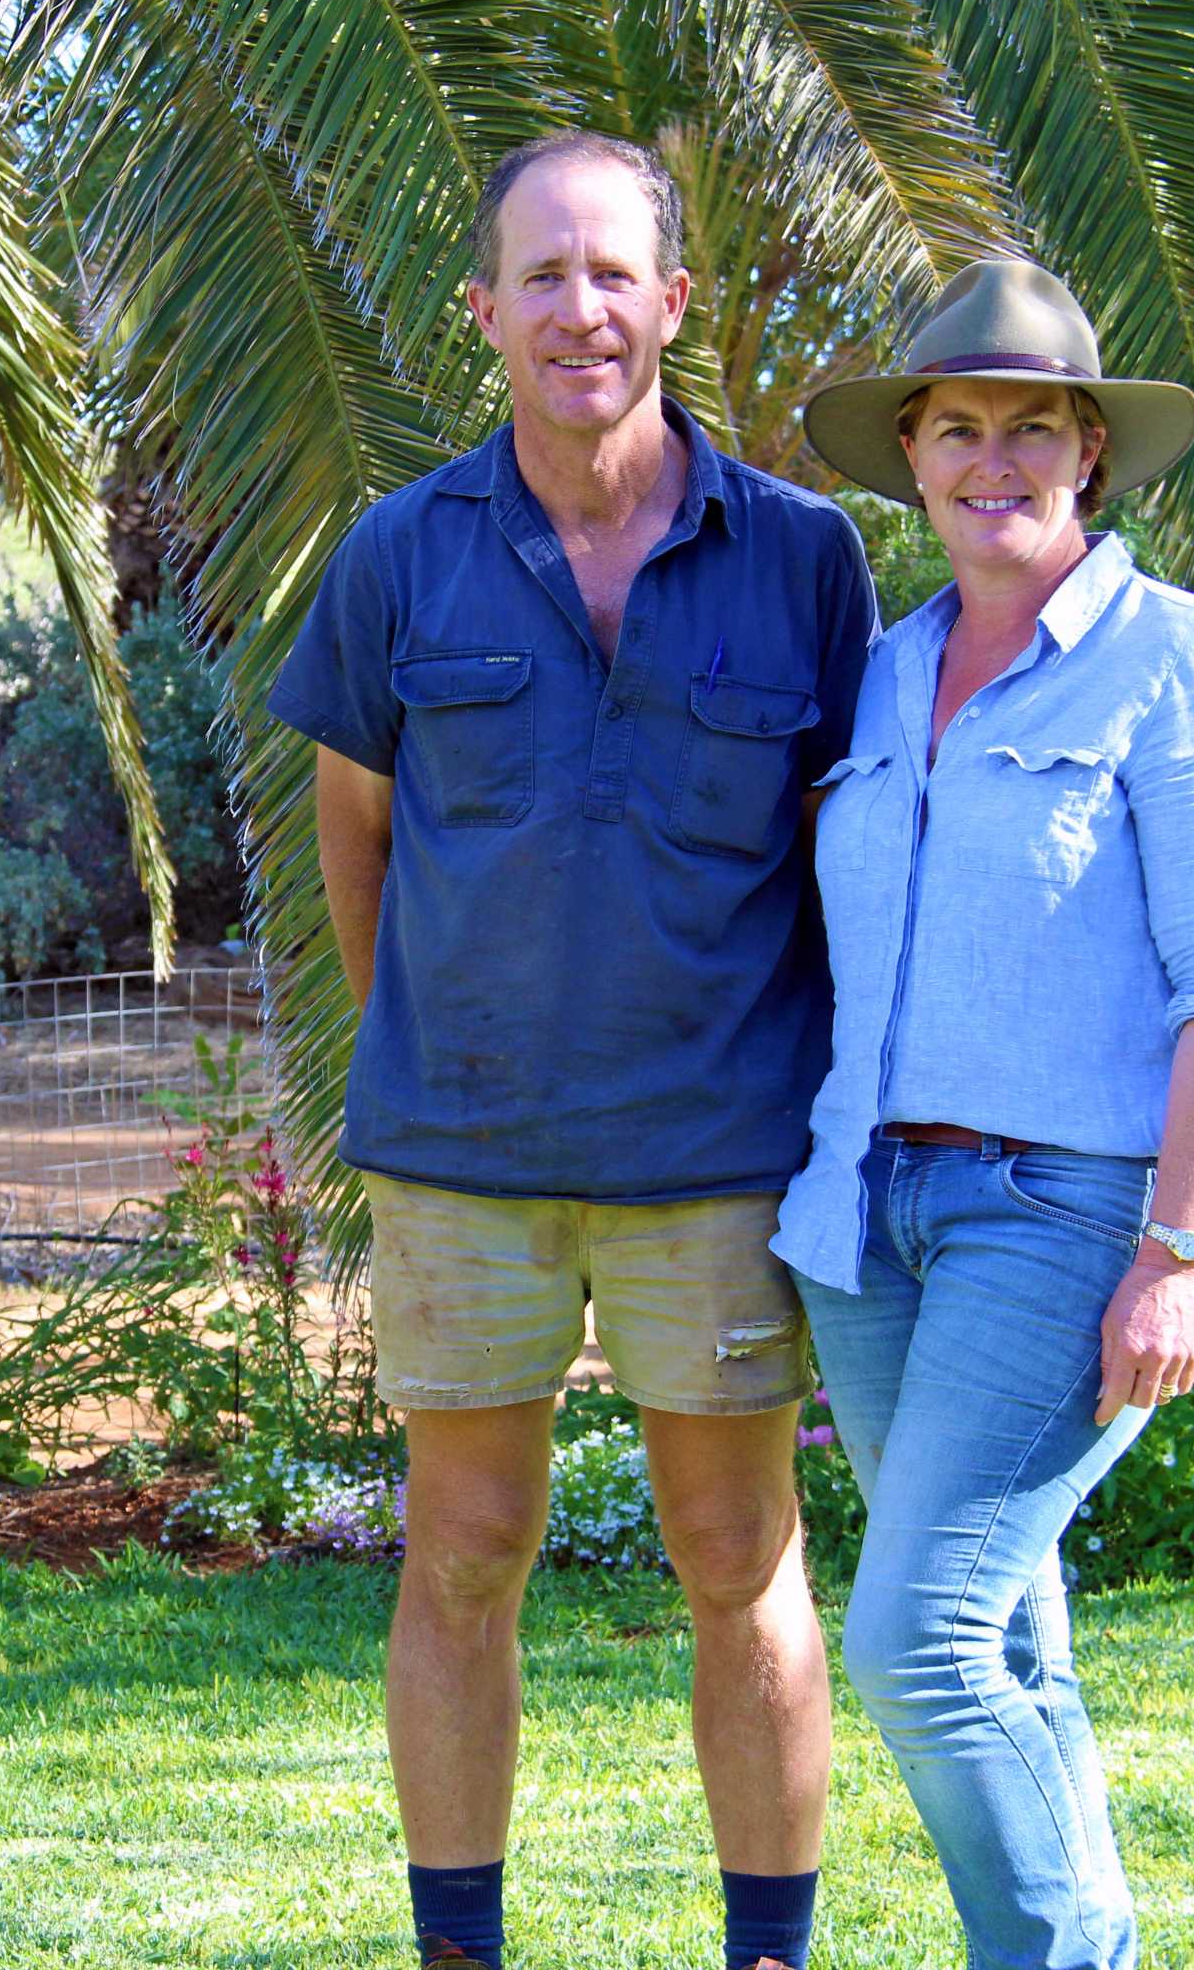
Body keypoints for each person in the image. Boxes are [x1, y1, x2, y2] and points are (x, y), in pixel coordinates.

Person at [268, 131, 876, 1970]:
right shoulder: (399, 556)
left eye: (614, 272)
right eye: (542, 275)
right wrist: (434, 1049)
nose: (580, 310)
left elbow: (849, 857)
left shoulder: (805, 562)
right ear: (485, 312)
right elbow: (352, 831)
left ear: (673, 301)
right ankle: (462, 1951)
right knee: (459, 1557)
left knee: (737, 1562)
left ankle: (766, 1952)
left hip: (718, 1163)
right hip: (464, 1165)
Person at [768, 258, 1194, 1970]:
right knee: (1005, 1648)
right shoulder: (873, 675)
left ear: (1092, 457)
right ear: (913, 455)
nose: (995, 461)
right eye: (959, 428)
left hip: (1072, 1217)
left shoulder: (1183, 667)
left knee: (916, 1644)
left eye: (1035, 431)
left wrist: (1177, 1251)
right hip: (871, 1221)